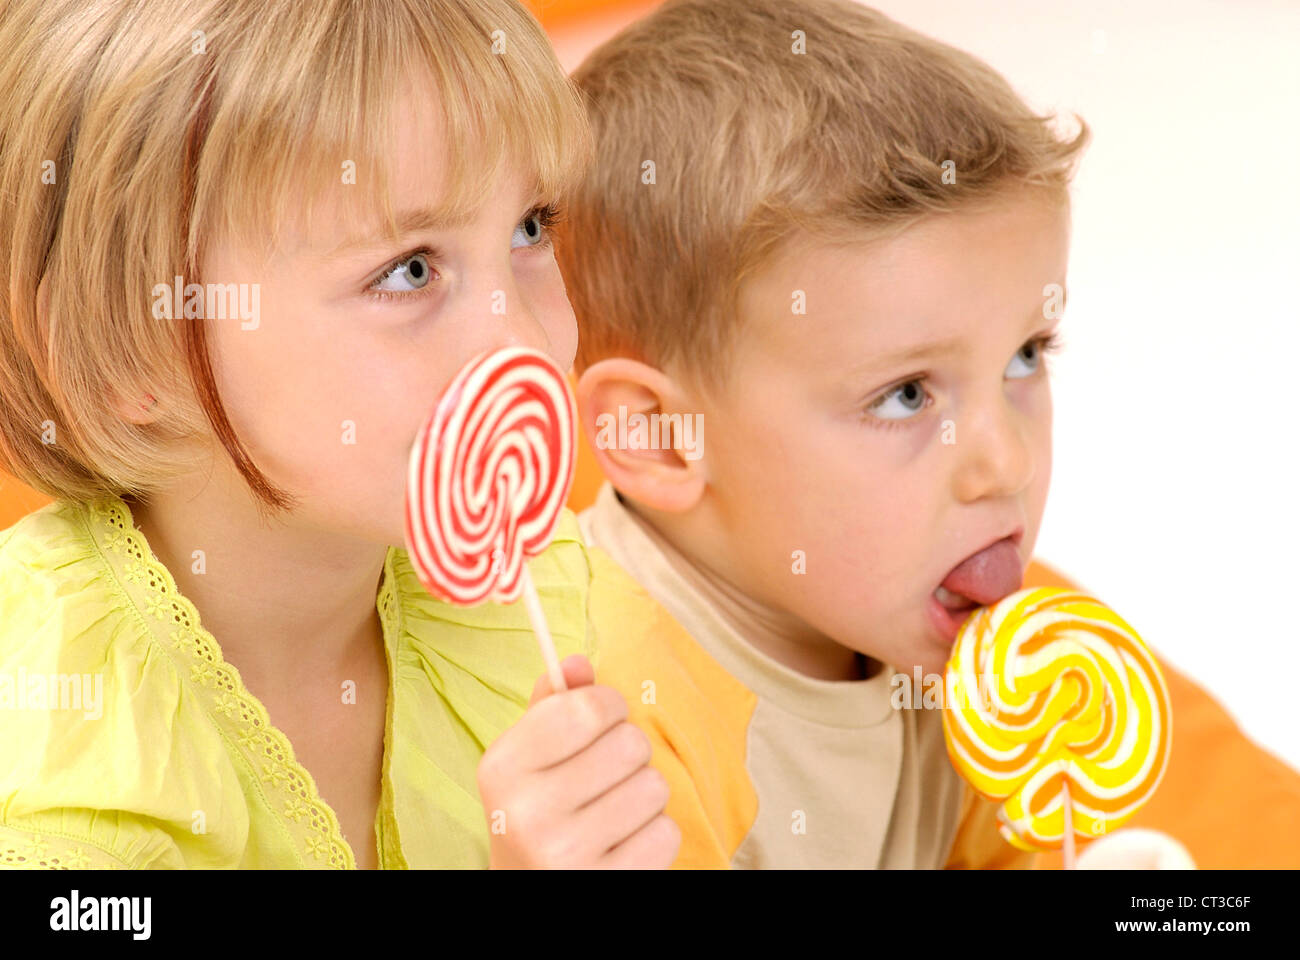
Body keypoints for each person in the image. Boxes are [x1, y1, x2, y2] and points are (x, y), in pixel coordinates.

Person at [0, 0, 676, 869]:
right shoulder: (58, 769)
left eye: (531, 226)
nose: (524, 343)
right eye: (409, 270)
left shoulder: (547, 596)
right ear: (135, 344)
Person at [556, 0, 1089, 867]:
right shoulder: (618, 728)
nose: (1007, 461)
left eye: (1026, 354)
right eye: (907, 394)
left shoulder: (970, 670)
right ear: (663, 438)